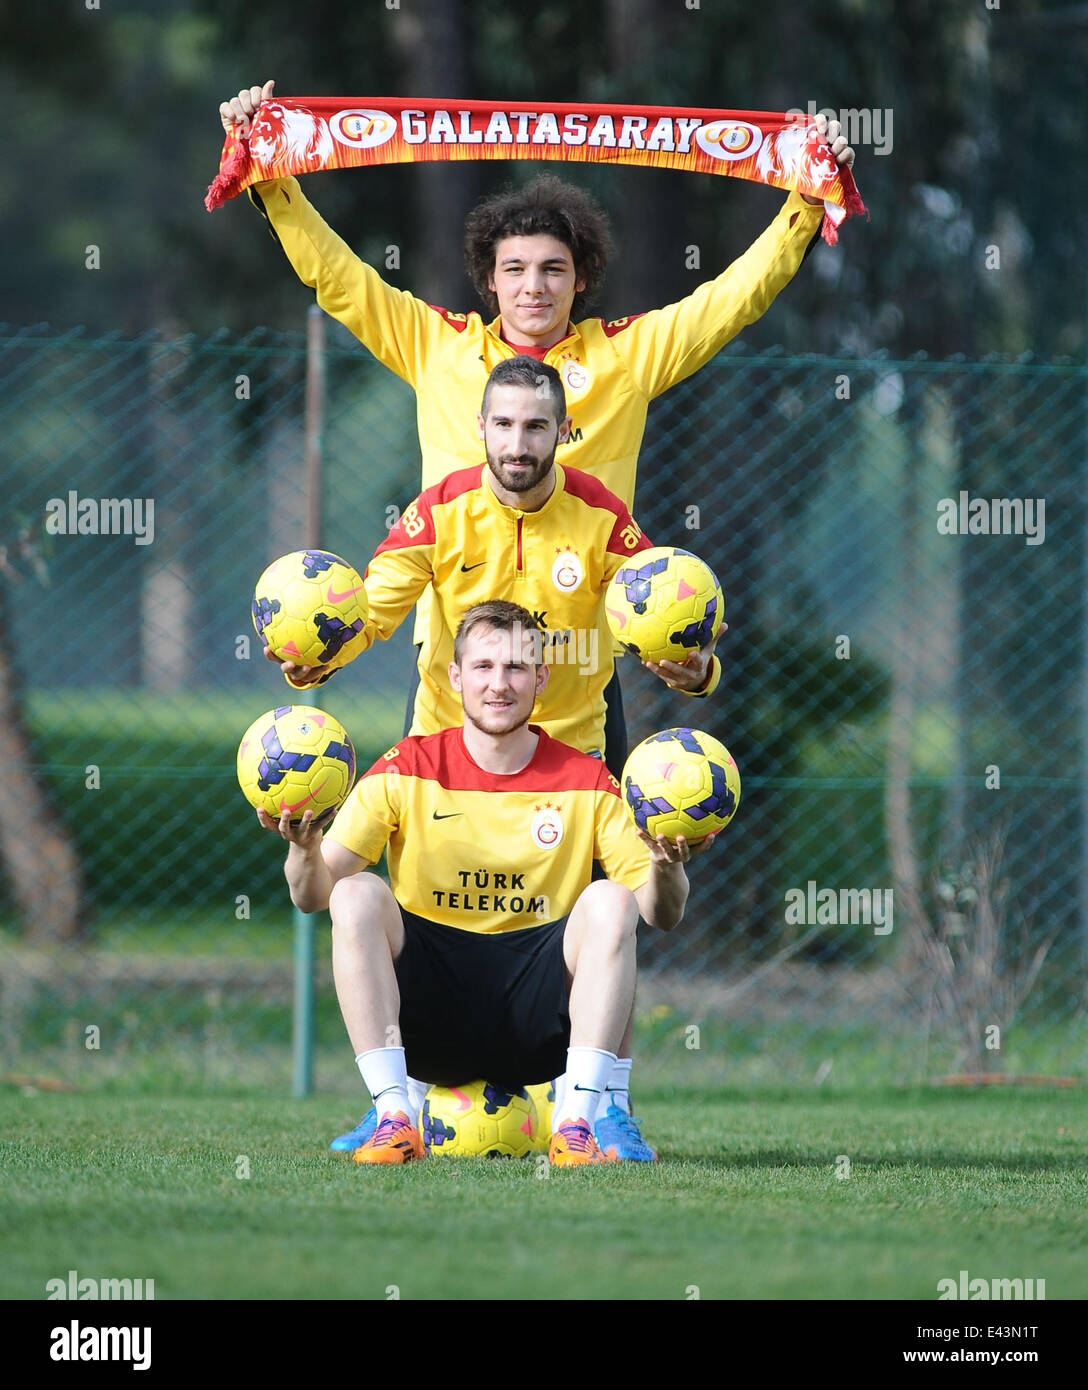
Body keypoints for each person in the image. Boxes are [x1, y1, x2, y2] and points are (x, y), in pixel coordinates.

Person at [218, 80, 855, 762]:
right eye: (514, 269)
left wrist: (806, 200)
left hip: (579, 684)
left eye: (554, 269)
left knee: (593, 871)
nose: (533, 286)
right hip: (453, 683)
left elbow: (732, 300)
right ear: (488, 280)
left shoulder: (625, 358)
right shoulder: (438, 347)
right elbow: (339, 278)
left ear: (582, 279)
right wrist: (273, 177)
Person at [257, 599, 720, 1165]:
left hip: (541, 1026)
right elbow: (312, 897)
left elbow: (660, 913)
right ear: (455, 677)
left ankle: (577, 1122)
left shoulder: (587, 778)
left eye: (515, 668)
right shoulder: (406, 767)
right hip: (429, 1024)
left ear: (541, 678)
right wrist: (302, 849)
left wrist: (668, 866)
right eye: (483, 667)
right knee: (355, 892)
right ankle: (393, 1115)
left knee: (610, 899)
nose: (499, 684)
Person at [268, 356, 723, 762]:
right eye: (503, 424)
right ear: (481, 427)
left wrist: (698, 672)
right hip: (447, 746)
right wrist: (318, 660)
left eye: (536, 427)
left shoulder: (602, 514)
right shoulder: (437, 509)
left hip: (570, 755)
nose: (517, 447)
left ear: (563, 431)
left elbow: (659, 616)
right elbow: (368, 615)